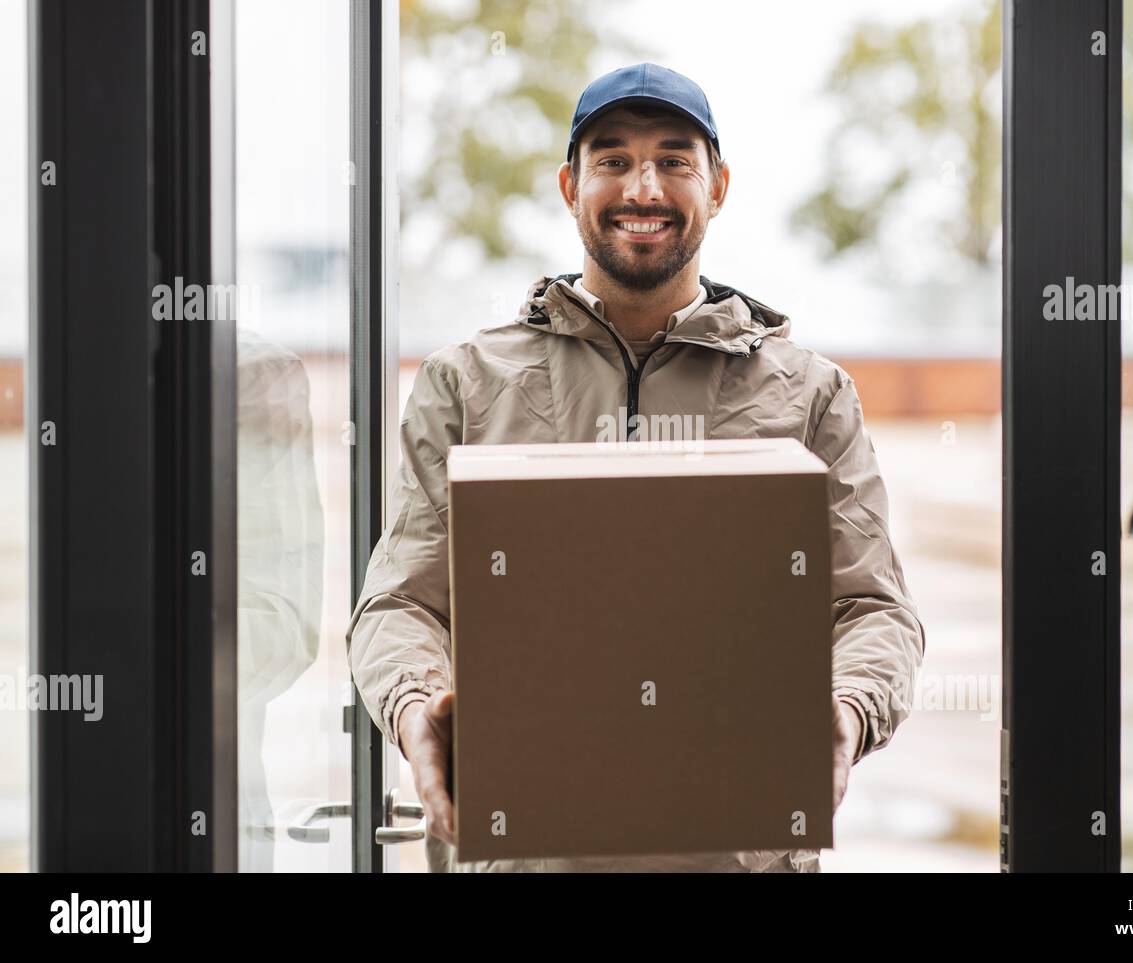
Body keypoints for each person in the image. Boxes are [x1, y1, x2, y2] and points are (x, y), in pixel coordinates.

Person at [346, 62, 925, 872]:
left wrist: (848, 709)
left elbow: (873, 608)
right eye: (612, 159)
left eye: (675, 160)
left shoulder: (811, 393)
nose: (643, 187)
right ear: (569, 185)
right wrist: (413, 707)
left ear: (718, 185)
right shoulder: (465, 383)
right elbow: (401, 603)